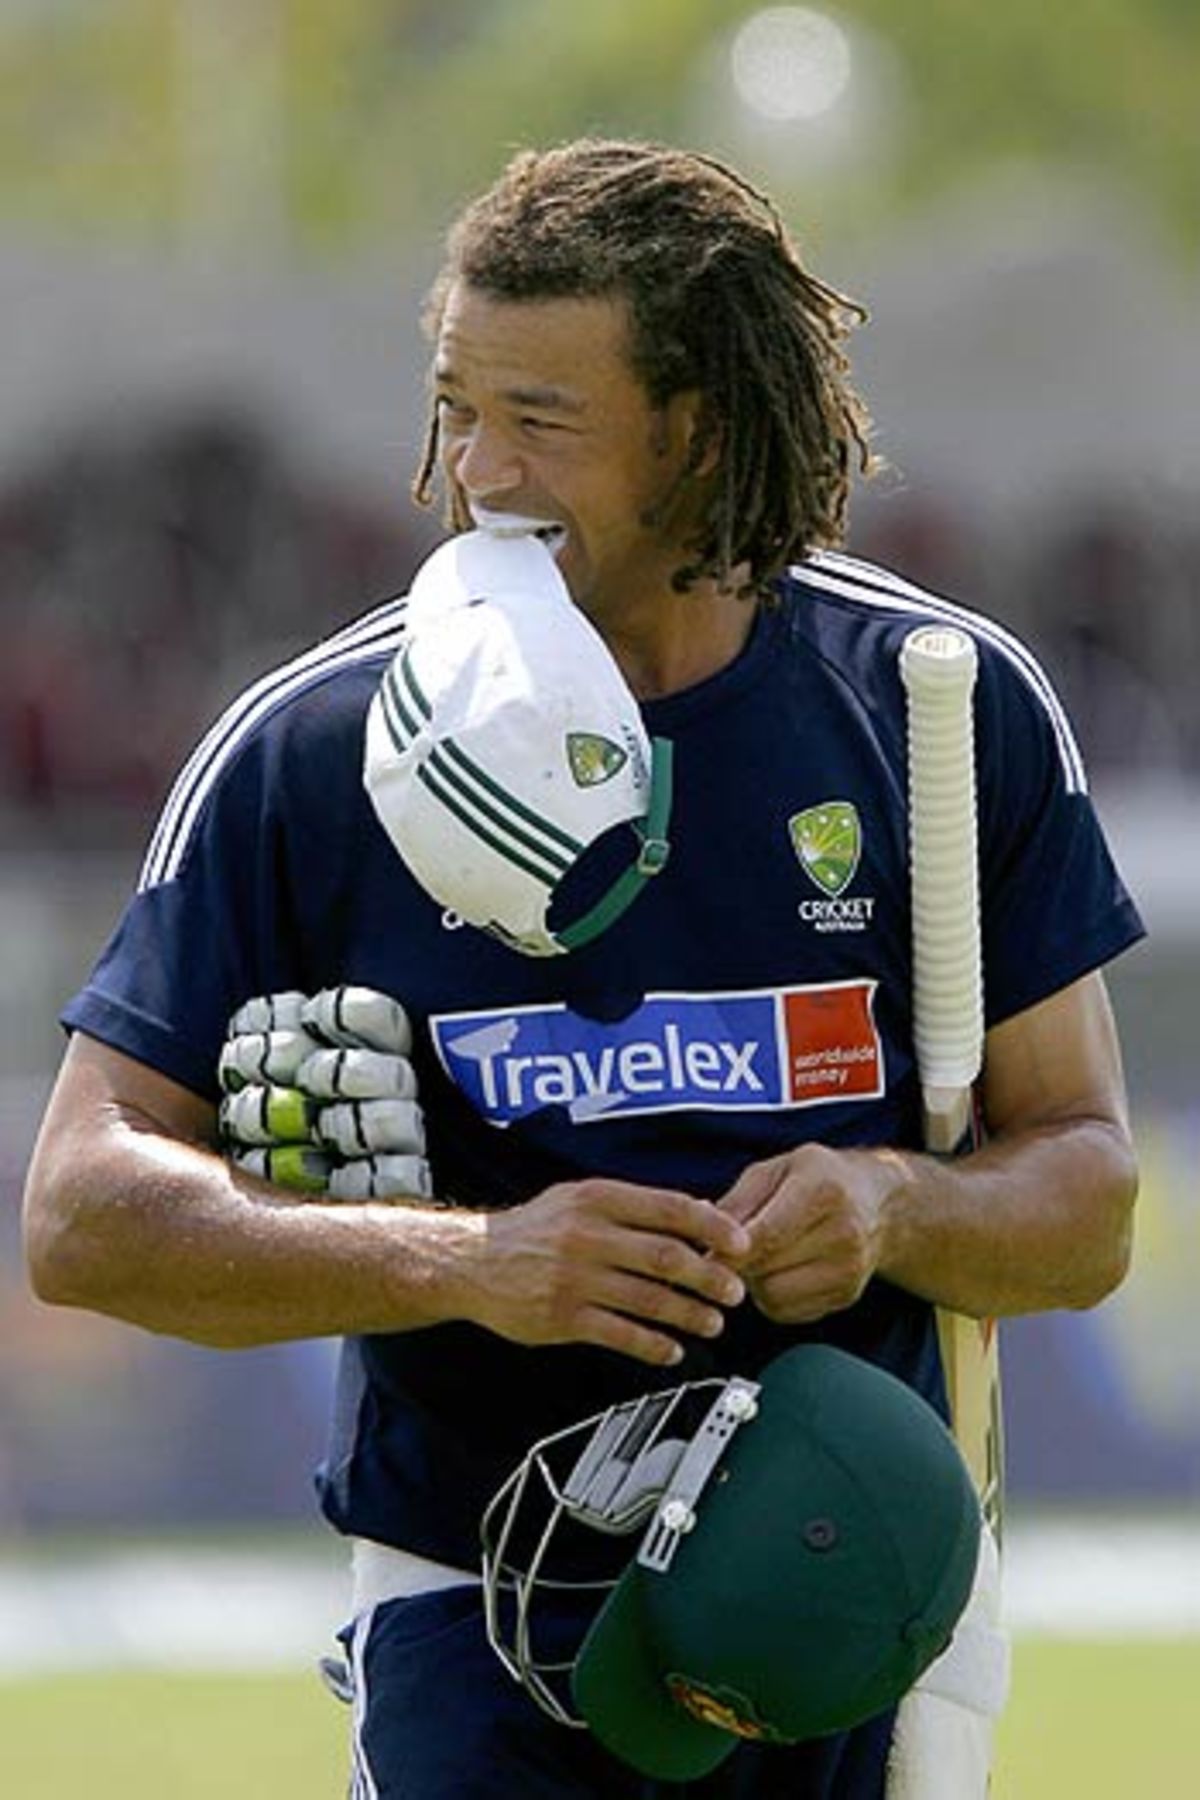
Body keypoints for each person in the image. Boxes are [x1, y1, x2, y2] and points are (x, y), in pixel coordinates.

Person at [23, 138, 1143, 1798]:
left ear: (696, 426)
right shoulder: (315, 747)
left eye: (540, 418)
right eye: (456, 403)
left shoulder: (938, 705)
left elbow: (1089, 1192)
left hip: (842, 1609)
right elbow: (77, 1212)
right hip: (471, 1627)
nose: (477, 466)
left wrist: (895, 1206)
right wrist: (467, 1259)